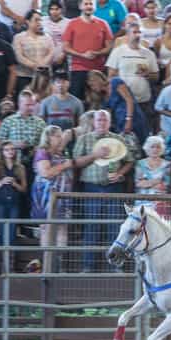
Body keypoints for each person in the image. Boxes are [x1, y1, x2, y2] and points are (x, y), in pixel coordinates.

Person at [72, 110, 135, 272]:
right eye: (99, 120)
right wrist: (95, 155)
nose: (101, 123)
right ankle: (88, 266)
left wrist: (120, 173)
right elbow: (76, 162)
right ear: (94, 121)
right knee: (91, 227)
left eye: (105, 120)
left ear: (109, 122)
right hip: (91, 188)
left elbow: (129, 161)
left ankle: (115, 266)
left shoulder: (118, 139)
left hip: (113, 189)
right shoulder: (84, 139)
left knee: (114, 227)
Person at [32, 125, 75, 272]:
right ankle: (47, 264)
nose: (60, 138)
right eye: (57, 135)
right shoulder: (42, 152)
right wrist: (65, 165)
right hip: (46, 196)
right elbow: (46, 173)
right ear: (49, 137)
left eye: (60, 135)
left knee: (62, 228)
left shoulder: (62, 152)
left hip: (64, 195)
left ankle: (59, 263)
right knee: (47, 229)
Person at [62, 0, 113, 100]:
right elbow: (65, 47)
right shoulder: (72, 23)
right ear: (80, 6)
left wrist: (97, 53)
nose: (89, 6)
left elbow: (109, 47)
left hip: (98, 69)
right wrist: (81, 55)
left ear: (95, 7)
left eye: (91, 4)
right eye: (86, 4)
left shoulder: (103, 24)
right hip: (78, 69)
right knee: (77, 99)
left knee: (99, 100)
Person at [85, 70, 149, 142]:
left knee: (141, 142)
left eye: (92, 85)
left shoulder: (115, 82)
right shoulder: (103, 98)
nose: (93, 88)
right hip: (120, 123)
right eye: (90, 86)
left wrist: (128, 120)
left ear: (97, 79)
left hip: (133, 117)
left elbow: (129, 100)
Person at [0, 141, 27, 246]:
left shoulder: (20, 167)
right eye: (7, 150)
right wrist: (2, 182)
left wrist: (15, 184)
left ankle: (11, 258)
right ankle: (2, 258)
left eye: (12, 149)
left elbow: (24, 189)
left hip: (15, 202)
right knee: (2, 230)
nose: (10, 152)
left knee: (12, 231)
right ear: (2, 152)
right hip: (1, 201)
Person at [12, 9, 55, 93]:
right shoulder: (19, 37)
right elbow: (18, 56)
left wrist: (41, 65)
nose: (39, 22)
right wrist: (34, 66)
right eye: (36, 20)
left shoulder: (47, 37)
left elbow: (51, 52)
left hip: (44, 76)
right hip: (25, 76)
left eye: (40, 20)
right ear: (28, 21)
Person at [134, 135, 171, 214]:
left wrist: (147, 183)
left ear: (162, 149)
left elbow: (165, 185)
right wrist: (157, 181)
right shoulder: (140, 163)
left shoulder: (167, 164)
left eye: (158, 147)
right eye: (152, 147)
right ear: (147, 148)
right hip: (142, 201)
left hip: (159, 203)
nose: (155, 149)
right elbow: (139, 184)